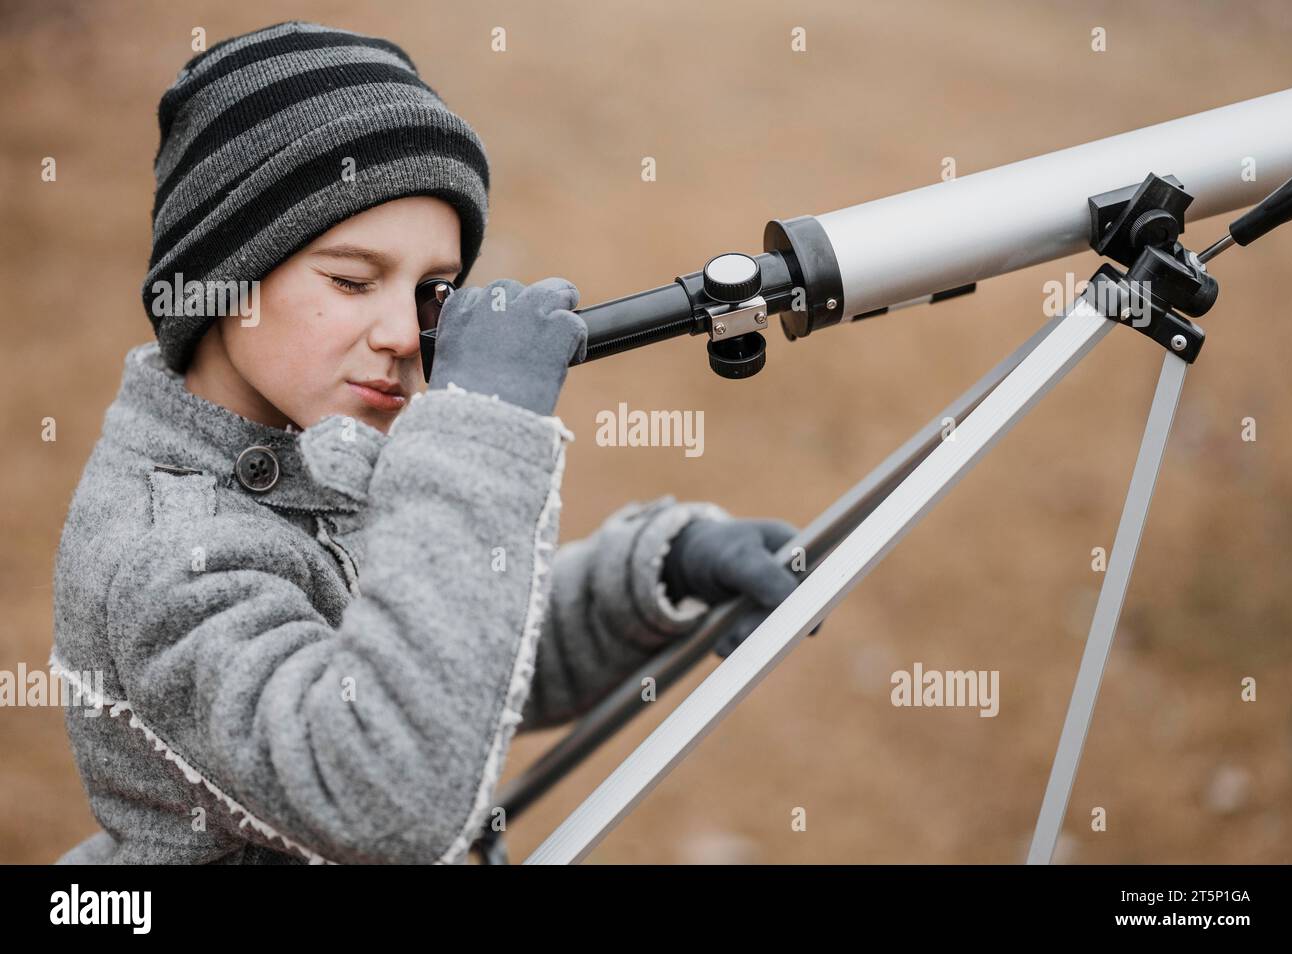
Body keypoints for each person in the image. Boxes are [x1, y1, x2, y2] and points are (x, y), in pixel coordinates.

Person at [50, 19, 810, 865]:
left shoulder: (311, 449)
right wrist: (476, 431)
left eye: (432, 289)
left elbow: (441, 666)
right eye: (351, 279)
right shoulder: (168, 555)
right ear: (227, 276)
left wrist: (649, 577)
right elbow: (385, 791)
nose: (405, 334)